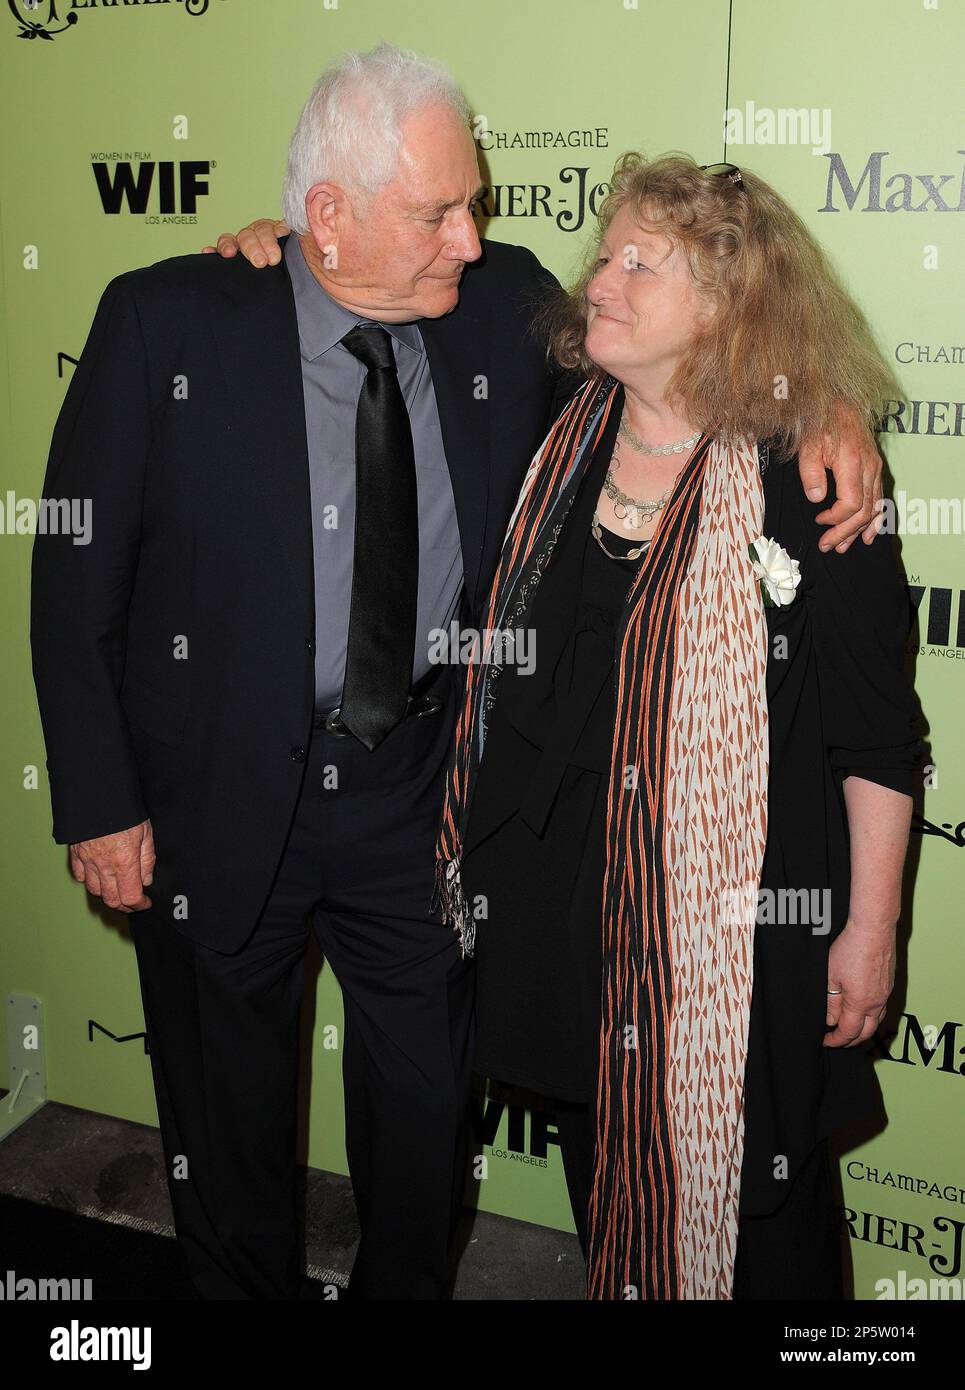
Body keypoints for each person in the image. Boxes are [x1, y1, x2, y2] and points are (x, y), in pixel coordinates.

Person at [32, 37, 879, 1302]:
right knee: (227, 1133)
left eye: (475, 202)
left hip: (420, 804)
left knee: (424, 1131)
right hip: (210, 801)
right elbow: (73, 581)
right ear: (326, 217)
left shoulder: (499, 306)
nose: (471, 237)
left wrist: (827, 406)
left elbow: (716, 344)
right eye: (437, 210)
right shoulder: (168, 321)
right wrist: (99, 801)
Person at [432, 154, 921, 1301]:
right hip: (554, 916)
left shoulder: (810, 479)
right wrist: (261, 250)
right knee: (608, 1186)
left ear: (724, 301)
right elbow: (407, 271)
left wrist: (870, 928)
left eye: (635, 265)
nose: (597, 280)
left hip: (729, 936)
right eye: (604, 254)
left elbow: (874, 737)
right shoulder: (560, 419)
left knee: (768, 1217)